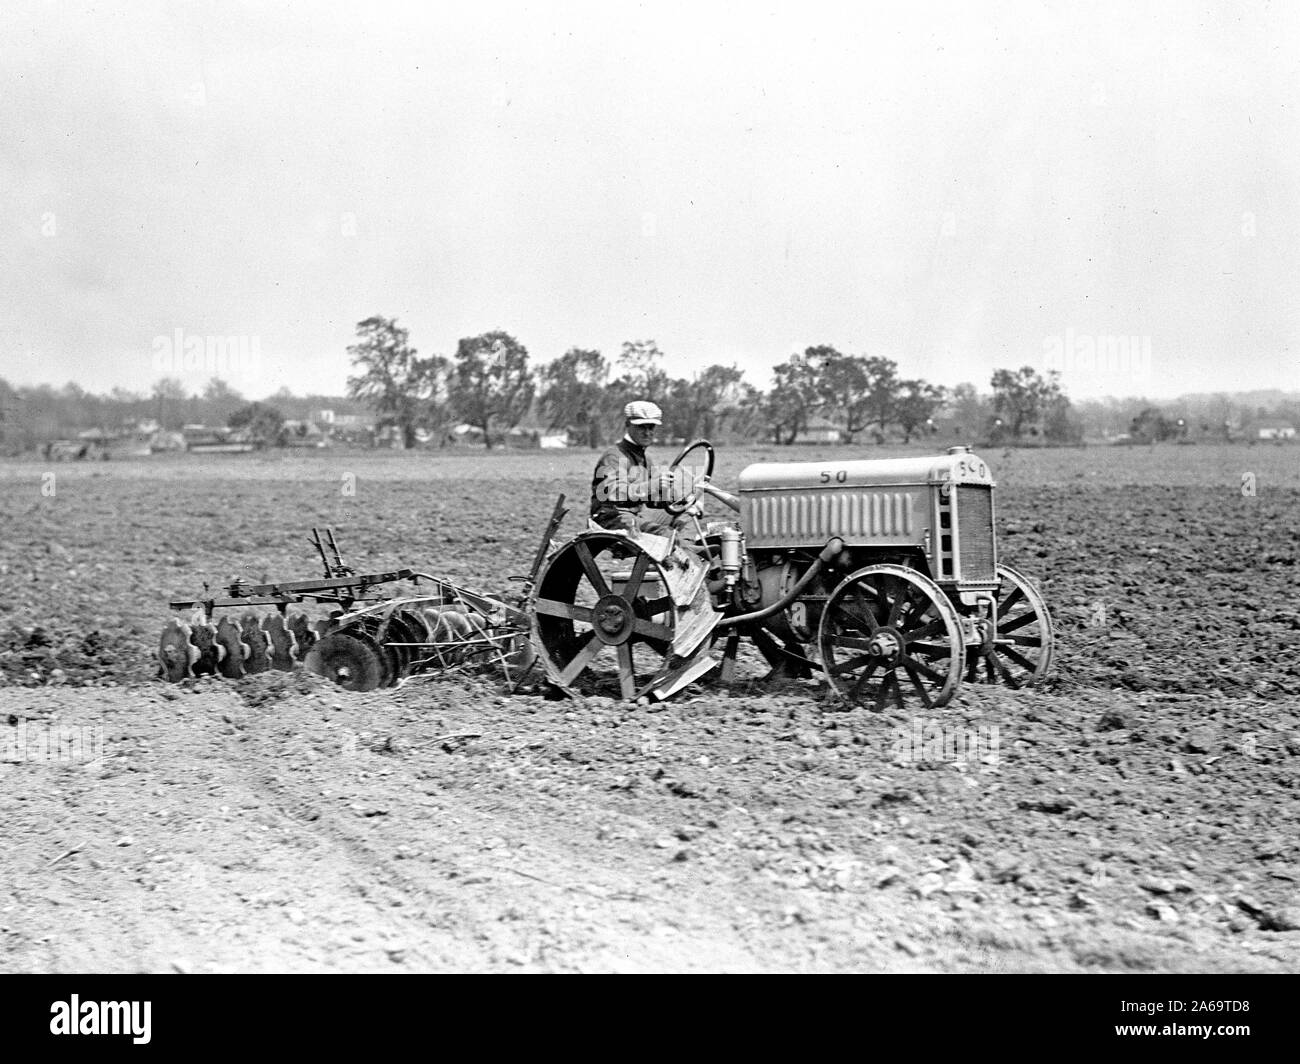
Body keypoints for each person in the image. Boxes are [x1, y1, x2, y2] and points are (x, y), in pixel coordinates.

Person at [589, 401, 693, 533]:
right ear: (627, 425)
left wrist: (682, 501)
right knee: (663, 533)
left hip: (635, 516)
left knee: (686, 516)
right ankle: (686, 551)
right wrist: (654, 484)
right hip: (611, 519)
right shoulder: (613, 456)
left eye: (651, 427)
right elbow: (613, 494)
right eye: (641, 427)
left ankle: (690, 549)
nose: (647, 433)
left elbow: (652, 498)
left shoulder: (645, 458)